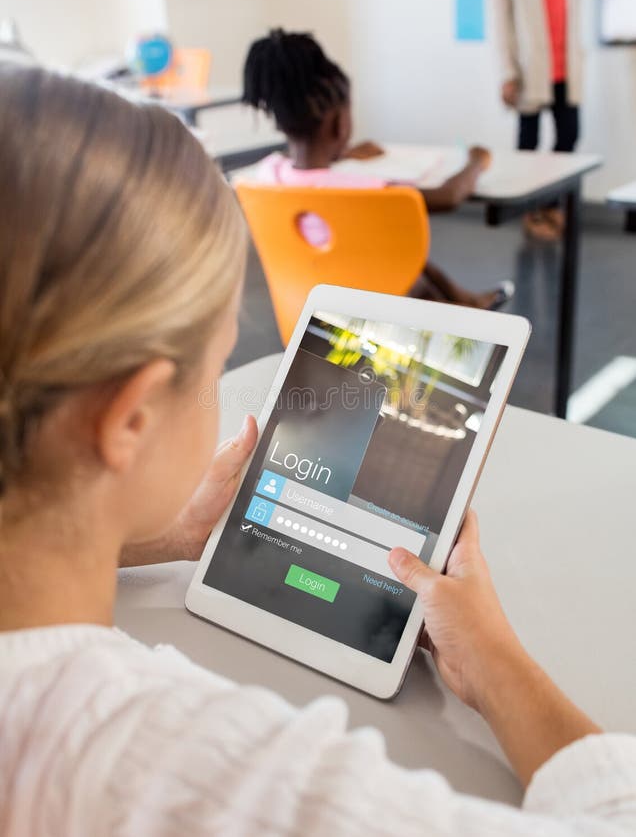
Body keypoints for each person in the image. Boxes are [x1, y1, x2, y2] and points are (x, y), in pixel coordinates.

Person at [1, 63, 635, 836]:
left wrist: (163, 536)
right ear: (129, 418)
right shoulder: (189, 776)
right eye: (218, 363)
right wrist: (496, 664)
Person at [242, 29, 514, 311]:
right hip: (370, 311)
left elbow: (301, 167)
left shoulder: (265, 174)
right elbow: (449, 195)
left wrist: (342, 153)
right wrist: (477, 161)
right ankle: (467, 314)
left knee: (399, 257)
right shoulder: (361, 191)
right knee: (403, 262)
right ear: (340, 124)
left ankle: (469, 302)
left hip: (305, 304)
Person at [492, 0, 636, 240]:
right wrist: (507, 71)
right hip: (530, 65)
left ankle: (551, 206)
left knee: (568, 135)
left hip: (566, 62)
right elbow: (499, 16)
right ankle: (530, 212)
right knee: (528, 142)